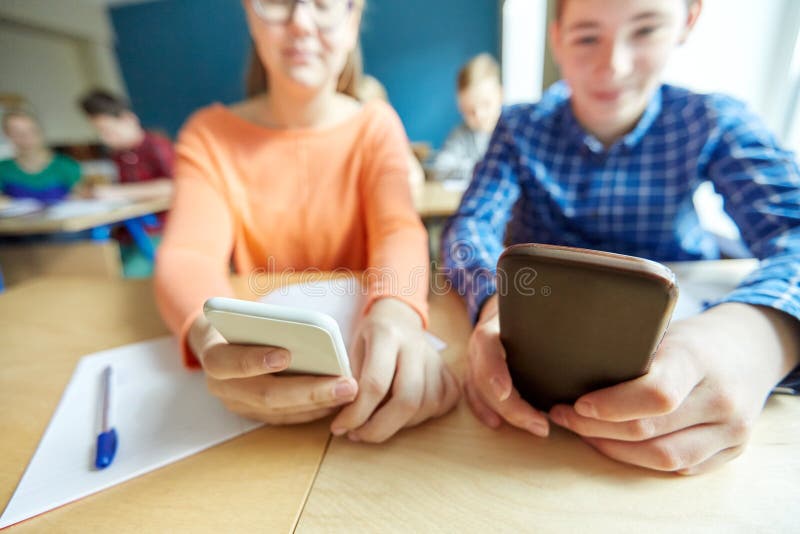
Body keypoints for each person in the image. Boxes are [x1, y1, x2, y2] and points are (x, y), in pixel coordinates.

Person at [442, 0, 800, 474]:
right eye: (588, 37)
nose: (614, 64)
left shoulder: (713, 120)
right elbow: (468, 228)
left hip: (690, 341)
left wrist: (759, 336)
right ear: (557, 39)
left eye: (645, 30)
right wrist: (494, 301)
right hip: (533, 384)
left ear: (688, 20)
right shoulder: (518, 126)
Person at [155, 0, 459, 443]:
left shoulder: (376, 126)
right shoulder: (208, 135)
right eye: (279, 2)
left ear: (352, 20)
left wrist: (397, 307)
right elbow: (188, 255)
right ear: (251, 15)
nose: (300, 22)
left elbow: (398, 228)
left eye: (323, 3)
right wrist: (209, 334)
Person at [79, 89, 173, 200]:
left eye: (108, 131)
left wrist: (119, 192)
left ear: (128, 119)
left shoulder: (157, 145)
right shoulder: (119, 154)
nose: (104, 139)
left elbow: (175, 185)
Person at [430, 53, 503, 184]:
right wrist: (483, 168)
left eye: (486, 104)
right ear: (460, 107)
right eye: (470, 110)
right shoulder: (460, 135)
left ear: (500, 95)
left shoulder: (514, 132)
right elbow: (440, 169)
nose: (479, 115)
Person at [0, 109, 81, 203]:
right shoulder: (3, 169)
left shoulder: (66, 165)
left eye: (31, 131)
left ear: (40, 131)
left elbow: (82, 197)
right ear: (7, 135)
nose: (26, 138)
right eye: (17, 133)